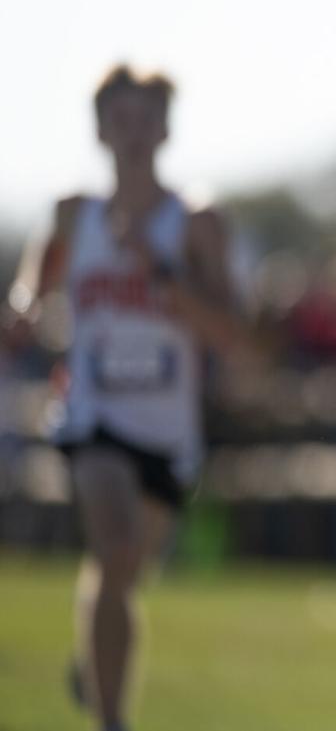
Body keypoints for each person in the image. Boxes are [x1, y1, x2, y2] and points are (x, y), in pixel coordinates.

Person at [2, 64, 242, 731]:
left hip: (168, 430)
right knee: (116, 549)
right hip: (92, 413)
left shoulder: (195, 222)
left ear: (165, 127)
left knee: (125, 569)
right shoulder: (73, 215)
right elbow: (32, 291)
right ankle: (112, 720)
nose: (134, 134)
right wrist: (19, 317)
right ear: (101, 129)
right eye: (120, 120)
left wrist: (166, 280)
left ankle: (94, 655)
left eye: (146, 119)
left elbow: (235, 333)